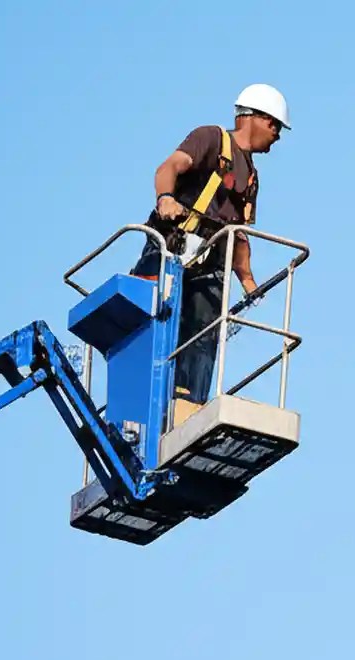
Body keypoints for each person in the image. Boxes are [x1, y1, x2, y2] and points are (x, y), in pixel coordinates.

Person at [131, 83, 290, 426]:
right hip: (171, 248)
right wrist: (165, 198)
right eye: (273, 124)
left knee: (204, 335)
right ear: (254, 117)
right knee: (149, 327)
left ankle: (188, 411)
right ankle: (140, 410)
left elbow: (240, 236)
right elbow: (169, 167)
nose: (276, 135)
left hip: (210, 263)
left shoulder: (251, 177)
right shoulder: (211, 139)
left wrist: (248, 280)